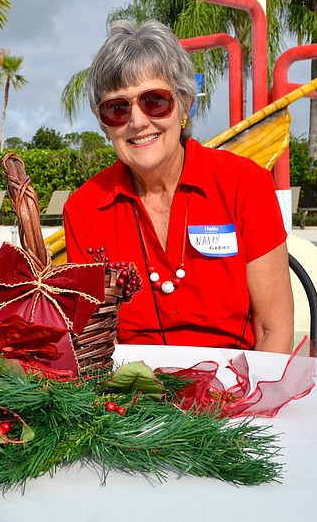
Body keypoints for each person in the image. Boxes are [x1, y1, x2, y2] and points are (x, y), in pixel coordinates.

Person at [64, 19, 294, 354]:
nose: (138, 121)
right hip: (134, 393)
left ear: (185, 104)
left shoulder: (246, 184)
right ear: (104, 125)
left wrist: (250, 404)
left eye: (154, 101)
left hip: (238, 386)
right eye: (117, 108)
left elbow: (273, 329)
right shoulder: (85, 210)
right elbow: (96, 343)